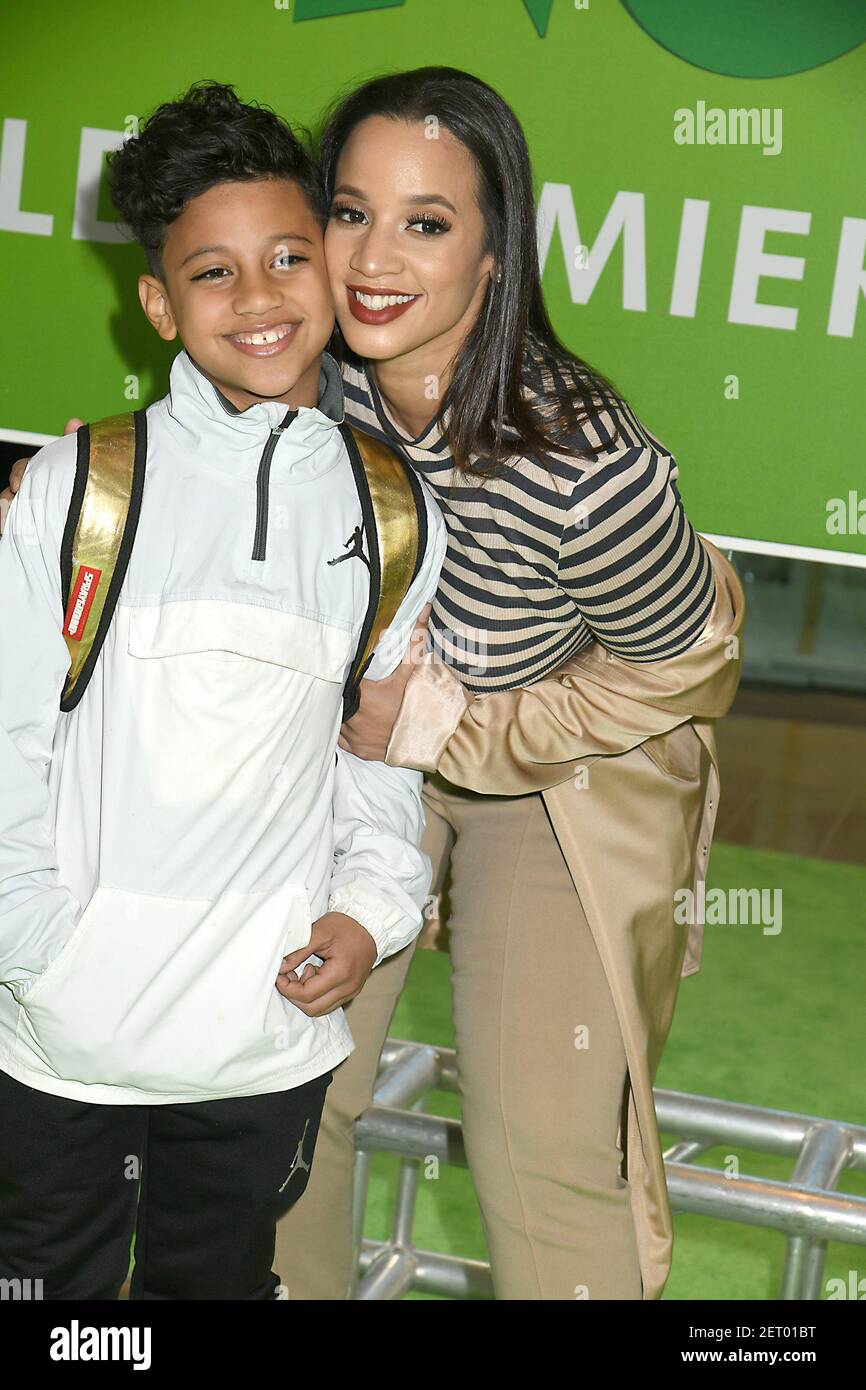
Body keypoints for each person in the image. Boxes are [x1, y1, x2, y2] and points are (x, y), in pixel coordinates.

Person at [2, 68, 744, 1302]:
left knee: (536, 1141)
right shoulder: (315, 367)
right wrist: (60, 487)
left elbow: (691, 662)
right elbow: (199, 426)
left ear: (494, 254)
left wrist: (452, 722)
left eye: (427, 222)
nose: (372, 261)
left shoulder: (582, 459)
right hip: (362, 755)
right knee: (298, 1081)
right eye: (348, 214)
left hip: (569, 774)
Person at [0, 82, 446, 1301]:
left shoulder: (391, 507)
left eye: (288, 257)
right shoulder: (73, 486)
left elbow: (377, 754)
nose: (259, 299)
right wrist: (42, 954)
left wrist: (367, 912)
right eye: (213, 273)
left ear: (331, 268)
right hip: (64, 1047)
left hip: (261, 1047)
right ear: (156, 303)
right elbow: (7, 741)